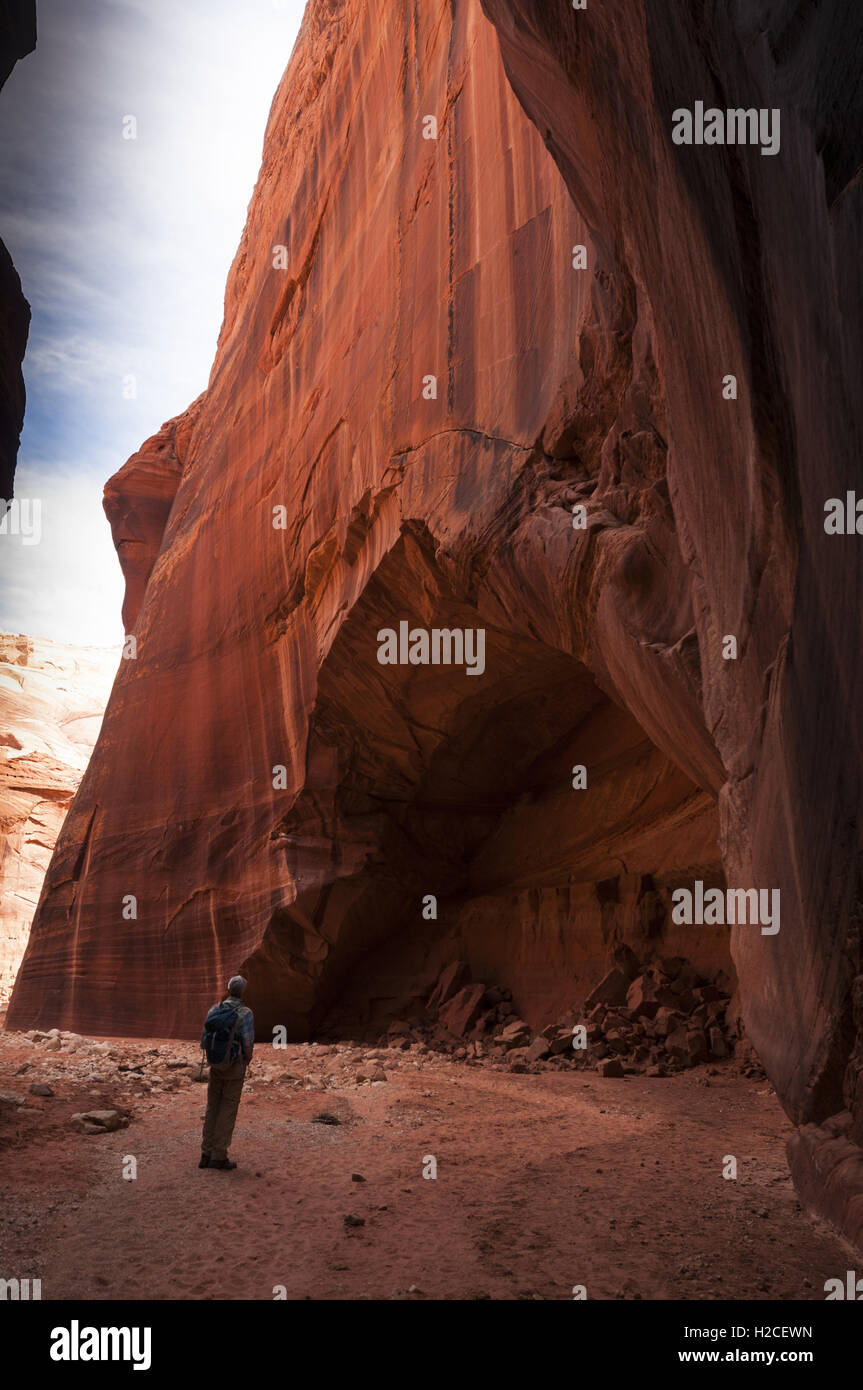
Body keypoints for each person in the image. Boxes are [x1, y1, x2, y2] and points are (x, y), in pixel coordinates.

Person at [199, 975, 254, 1171]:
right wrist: (247, 1059)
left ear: (228, 989)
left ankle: (205, 1154)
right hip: (234, 1065)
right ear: (243, 992)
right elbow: (247, 1042)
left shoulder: (215, 1009)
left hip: (215, 1065)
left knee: (212, 1107)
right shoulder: (245, 1013)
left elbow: (204, 1038)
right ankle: (219, 1156)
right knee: (228, 1109)